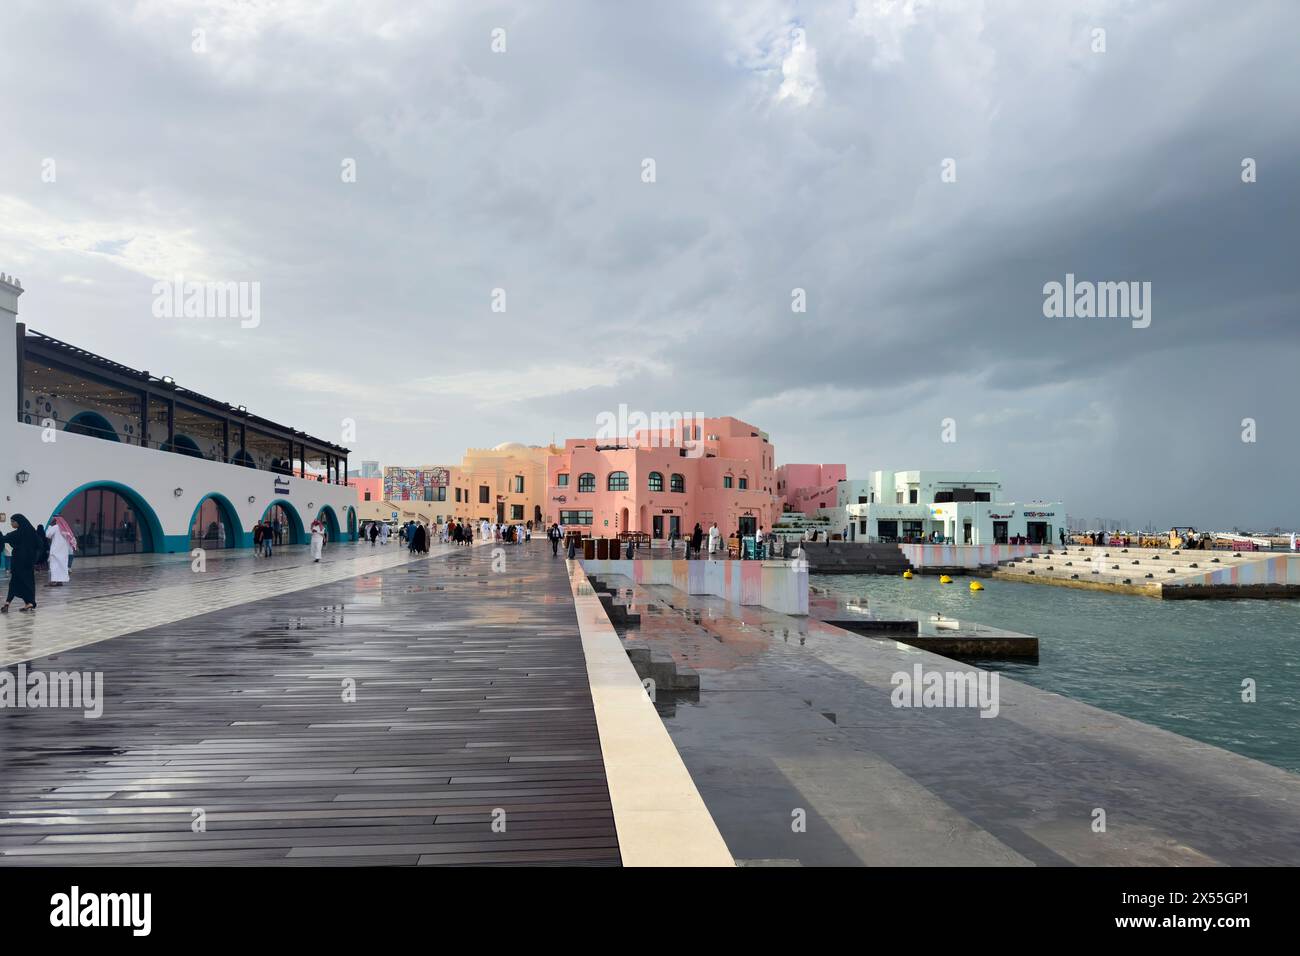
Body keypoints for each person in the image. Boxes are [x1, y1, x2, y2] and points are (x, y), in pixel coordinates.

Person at [2, 514, 42, 613]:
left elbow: (3, 539)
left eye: (12, 522)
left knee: (14, 582)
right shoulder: (33, 533)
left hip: (17, 562)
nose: (11, 524)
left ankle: (8, 603)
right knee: (27, 583)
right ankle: (29, 603)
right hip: (28, 563)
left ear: (18, 522)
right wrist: (34, 558)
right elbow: (40, 545)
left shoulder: (17, 533)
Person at [45, 517, 75, 587]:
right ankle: (60, 581)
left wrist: (49, 526)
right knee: (62, 566)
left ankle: (54, 581)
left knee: (54, 566)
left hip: (56, 550)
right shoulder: (65, 528)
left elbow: (48, 535)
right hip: (64, 551)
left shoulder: (55, 527)